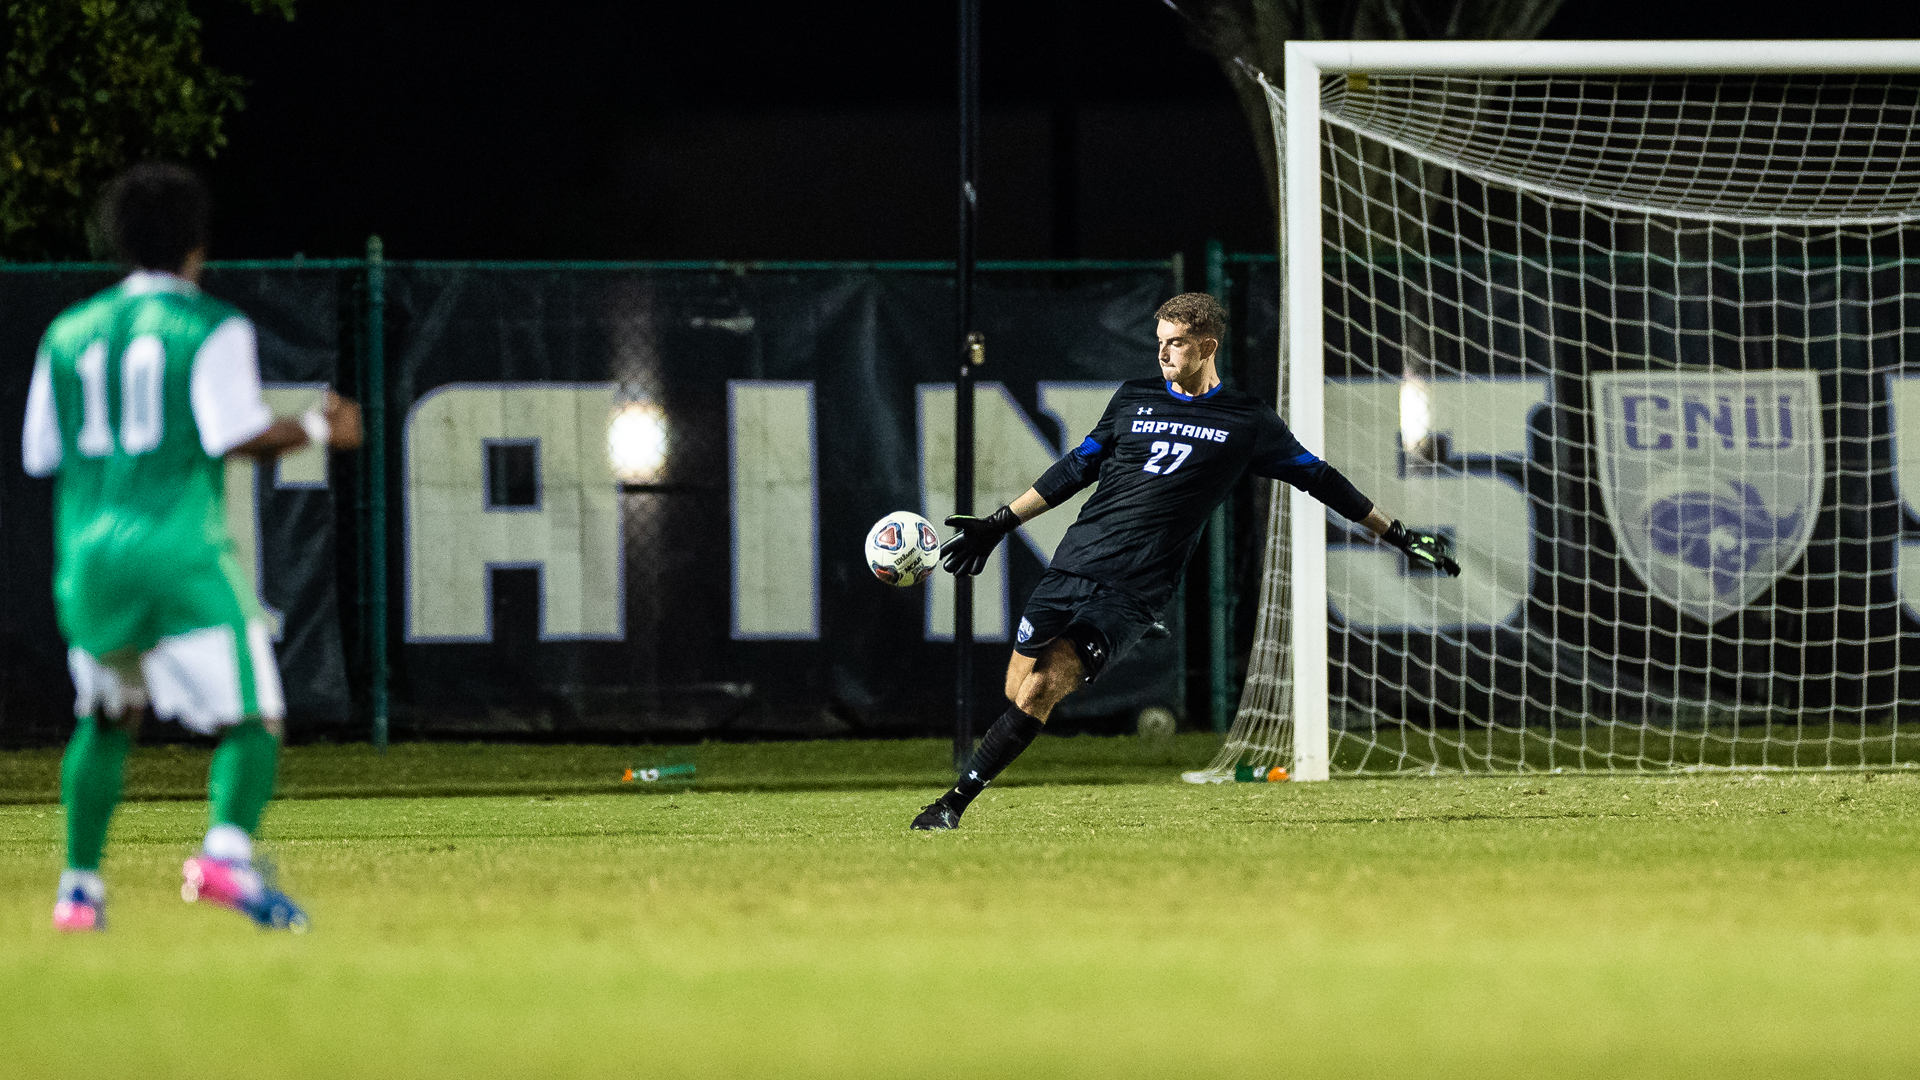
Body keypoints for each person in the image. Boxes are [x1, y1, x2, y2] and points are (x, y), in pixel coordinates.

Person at [911, 293, 1456, 830]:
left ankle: (951, 806)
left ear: (1207, 346)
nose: (1163, 355)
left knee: (1039, 690)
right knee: (1016, 690)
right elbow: (1075, 468)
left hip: (1134, 589)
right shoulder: (1132, 398)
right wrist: (998, 523)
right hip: (1074, 564)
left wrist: (1398, 533)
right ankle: (1131, 633)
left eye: (1175, 344)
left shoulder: (1246, 421)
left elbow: (1322, 479)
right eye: (1159, 344)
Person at [25, 162, 363, 930]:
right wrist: (318, 426)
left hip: (90, 557)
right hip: (177, 548)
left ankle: (79, 891)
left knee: (108, 717)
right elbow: (233, 434)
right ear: (196, 245)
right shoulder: (211, 327)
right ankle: (224, 856)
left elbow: (41, 453)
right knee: (256, 720)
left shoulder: (67, 333)